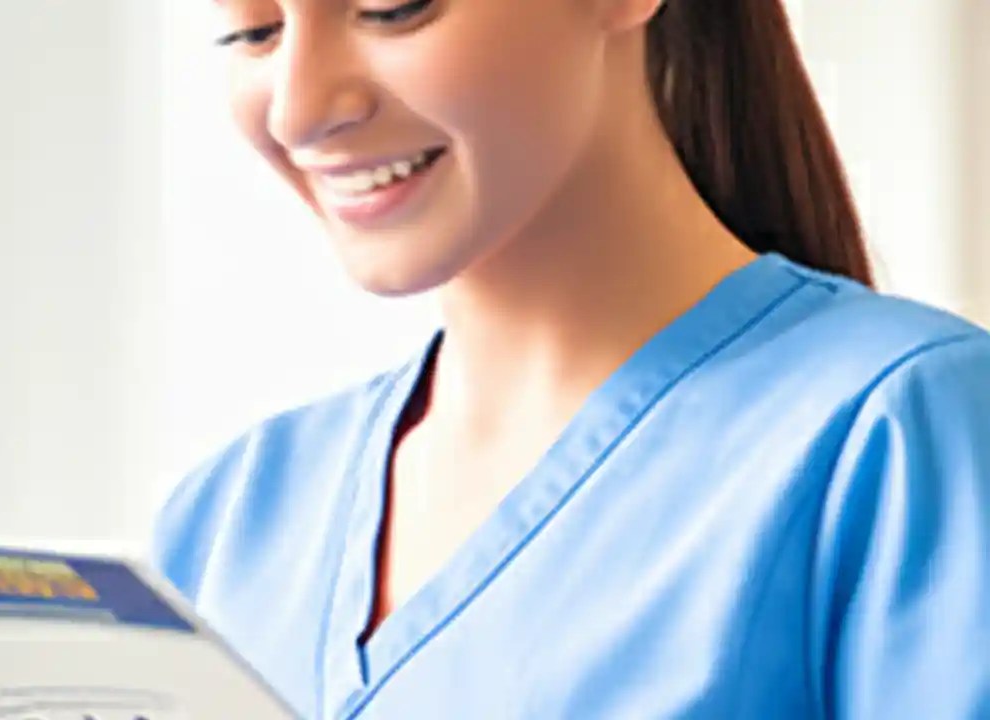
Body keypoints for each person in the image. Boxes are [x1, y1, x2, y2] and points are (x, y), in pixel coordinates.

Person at [152, 0, 990, 717]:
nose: (300, 109)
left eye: (392, 7)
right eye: (255, 31)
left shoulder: (904, 429)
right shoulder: (229, 521)